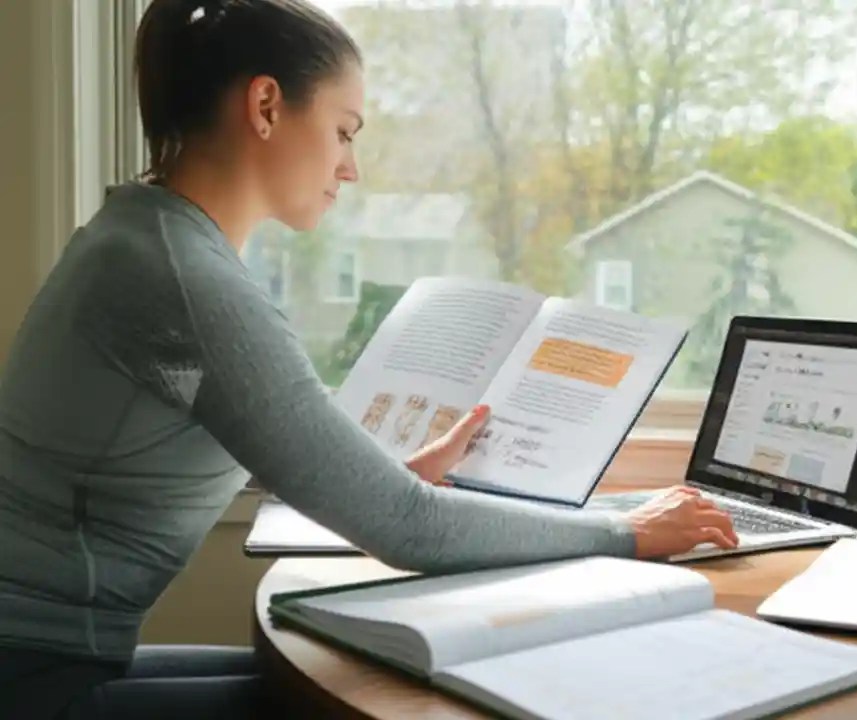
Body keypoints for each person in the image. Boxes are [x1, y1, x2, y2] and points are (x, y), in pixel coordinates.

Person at [0, 1, 738, 717]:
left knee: (335, 675)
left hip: (46, 654)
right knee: (381, 698)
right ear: (265, 106)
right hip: (32, 677)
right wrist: (629, 532)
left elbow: (230, 443)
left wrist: (390, 474)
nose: (350, 167)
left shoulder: (140, 238)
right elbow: (407, 528)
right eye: (344, 131)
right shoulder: (184, 280)